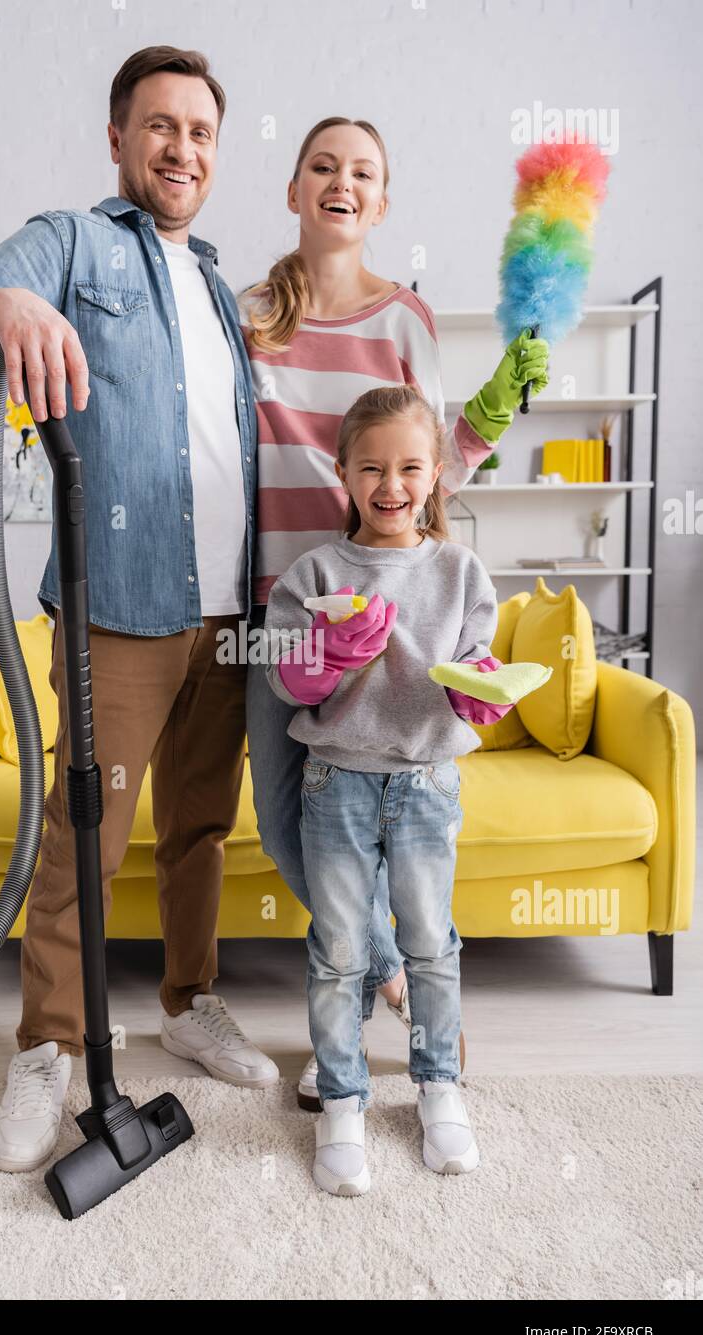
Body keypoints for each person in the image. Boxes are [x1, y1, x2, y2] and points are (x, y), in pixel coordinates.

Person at [0, 46, 280, 1175]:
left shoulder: (219, 285)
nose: (183, 148)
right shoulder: (70, 242)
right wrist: (4, 304)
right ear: (119, 140)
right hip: (118, 603)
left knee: (201, 826)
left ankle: (188, 1001)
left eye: (202, 132)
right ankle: (49, 1043)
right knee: (83, 836)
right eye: (160, 126)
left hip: (230, 607)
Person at [237, 117, 548, 1107]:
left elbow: (420, 468)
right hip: (280, 606)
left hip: (392, 608)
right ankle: (391, 972)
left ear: (380, 203)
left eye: (362, 172)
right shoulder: (245, 313)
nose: (341, 181)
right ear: (294, 188)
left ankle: (388, 992)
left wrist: (485, 424)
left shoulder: (405, 318)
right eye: (323, 165)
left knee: (372, 829)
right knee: (292, 829)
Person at [263, 384, 519, 1194]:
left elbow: (479, 663)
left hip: (425, 784)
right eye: (370, 467)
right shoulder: (313, 570)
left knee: (430, 947)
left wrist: (481, 688)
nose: (390, 484)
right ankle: (343, 1103)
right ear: (341, 471)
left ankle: (438, 1091)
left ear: (436, 472)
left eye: (410, 467)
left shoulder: (457, 568)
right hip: (333, 784)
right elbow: (286, 681)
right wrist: (325, 657)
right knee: (337, 954)